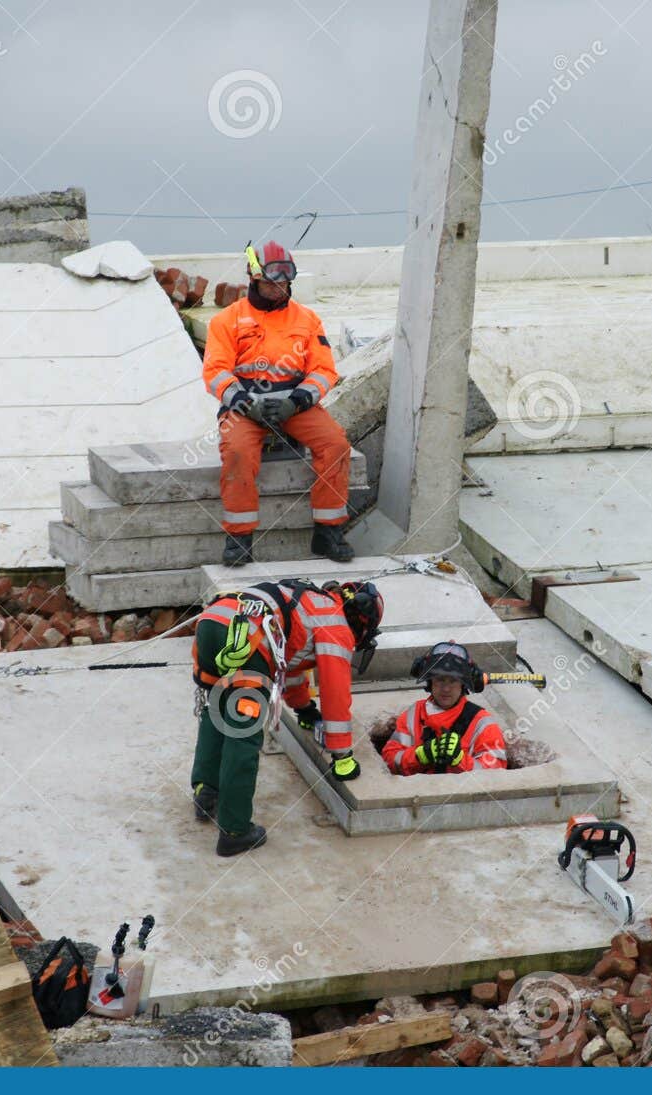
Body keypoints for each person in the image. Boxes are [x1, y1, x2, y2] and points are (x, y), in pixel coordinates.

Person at [190, 577, 383, 855]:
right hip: (247, 640)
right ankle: (235, 832)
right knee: (243, 734)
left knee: (217, 709)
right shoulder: (336, 626)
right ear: (364, 623)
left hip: (213, 623)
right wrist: (342, 757)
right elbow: (335, 693)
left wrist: (303, 708)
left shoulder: (312, 604)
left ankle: (205, 791)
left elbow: (287, 666)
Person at [202, 239, 354, 566]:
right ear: (254, 277)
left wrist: (297, 401)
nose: (280, 286)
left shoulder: (307, 320)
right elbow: (215, 372)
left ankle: (329, 533)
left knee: (335, 444)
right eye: (273, 280)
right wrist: (244, 402)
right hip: (244, 406)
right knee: (239, 452)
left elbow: (324, 370)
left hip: (293, 403)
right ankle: (239, 539)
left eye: (285, 280)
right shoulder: (226, 321)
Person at [381, 641, 508, 775]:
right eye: (440, 679)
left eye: (453, 681)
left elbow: (496, 771)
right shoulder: (413, 714)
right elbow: (389, 759)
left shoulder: (482, 723)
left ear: (463, 685)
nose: (446, 689)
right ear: (430, 682)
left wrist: (460, 760)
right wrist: (420, 756)